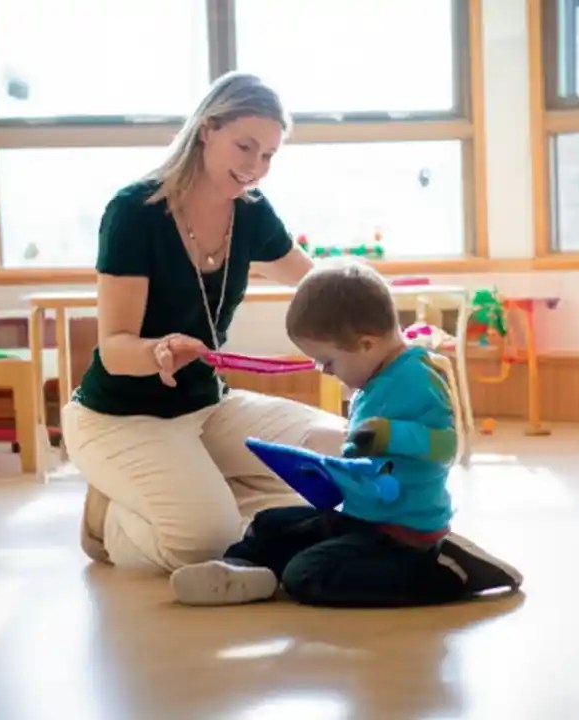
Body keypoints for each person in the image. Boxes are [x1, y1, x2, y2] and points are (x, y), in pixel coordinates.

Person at [60, 72, 345, 571]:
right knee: (203, 544)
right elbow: (114, 348)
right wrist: (157, 351)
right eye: (245, 146)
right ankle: (107, 520)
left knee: (341, 453)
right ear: (207, 130)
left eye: (269, 155)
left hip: (206, 406)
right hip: (120, 416)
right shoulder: (135, 212)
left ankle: (205, 487)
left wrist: (389, 332)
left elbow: (318, 288)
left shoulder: (252, 214)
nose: (256, 167)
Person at [170, 262, 523, 607]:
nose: (325, 371)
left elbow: (447, 445)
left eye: (328, 362)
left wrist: (389, 435)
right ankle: (239, 570)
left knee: (309, 574)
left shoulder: (419, 377)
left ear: (366, 344)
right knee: (269, 524)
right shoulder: (372, 378)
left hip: (403, 533)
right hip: (362, 515)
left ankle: (448, 570)